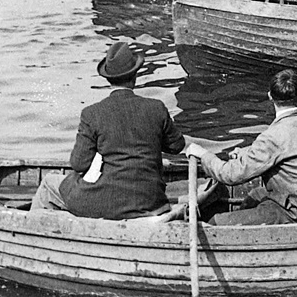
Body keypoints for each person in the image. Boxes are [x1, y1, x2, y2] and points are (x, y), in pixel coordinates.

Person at [31, 42, 185, 219]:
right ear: (135, 75)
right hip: (151, 201)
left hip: (107, 202)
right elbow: (177, 146)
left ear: (108, 78)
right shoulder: (156, 108)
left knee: (50, 184)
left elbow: (78, 164)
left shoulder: (91, 114)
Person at [184, 69, 297, 225]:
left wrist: (204, 154)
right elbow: (287, 146)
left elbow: (230, 175)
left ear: (269, 96)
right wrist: (246, 152)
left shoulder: (272, 136)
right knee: (255, 195)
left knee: (214, 222)